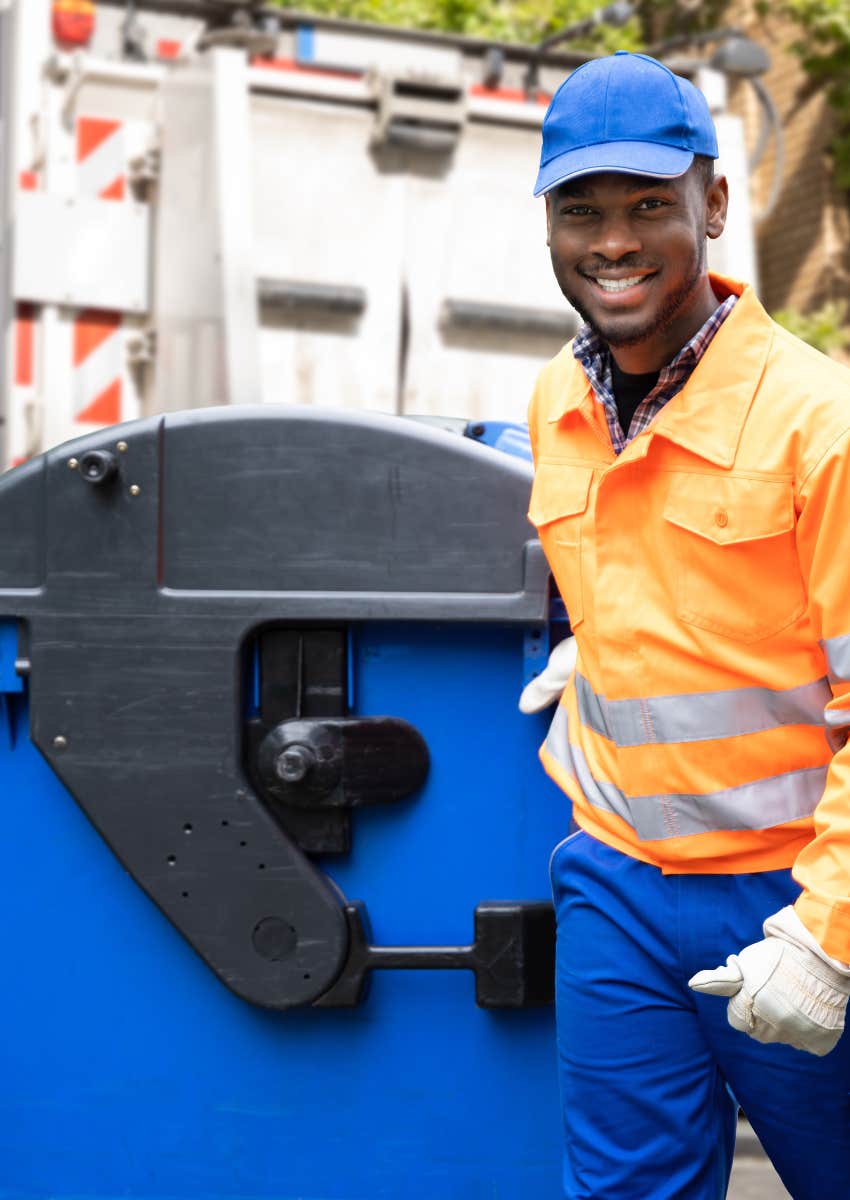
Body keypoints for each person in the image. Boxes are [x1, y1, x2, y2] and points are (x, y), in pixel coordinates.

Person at [522, 50, 850, 1199]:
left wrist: (829, 935)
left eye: (650, 206)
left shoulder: (819, 423)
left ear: (713, 204)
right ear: (550, 223)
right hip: (616, 880)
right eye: (583, 211)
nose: (613, 240)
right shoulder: (558, 401)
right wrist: (600, 646)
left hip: (789, 895)